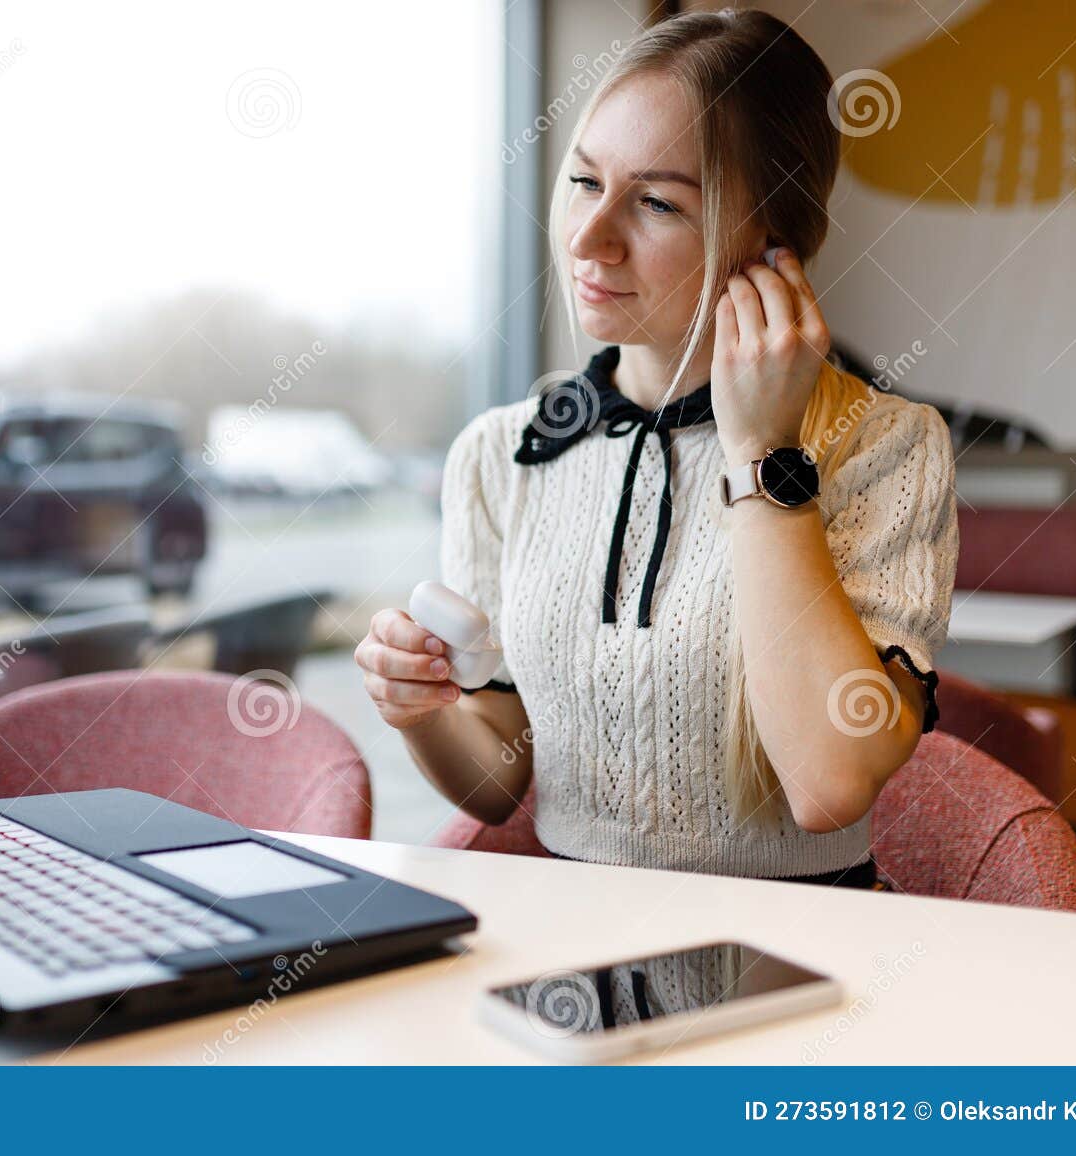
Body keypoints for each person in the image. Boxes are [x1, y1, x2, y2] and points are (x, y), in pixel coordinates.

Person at [355, 8, 958, 889]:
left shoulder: (890, 447)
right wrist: (419, 711)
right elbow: (498, 783)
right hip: (577, 968)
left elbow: (828, 785)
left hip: (795, 964)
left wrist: (762, 455)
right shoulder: (502, 453)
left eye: (656, 202)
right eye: (584, 182)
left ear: (772, 246)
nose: (589, 240)